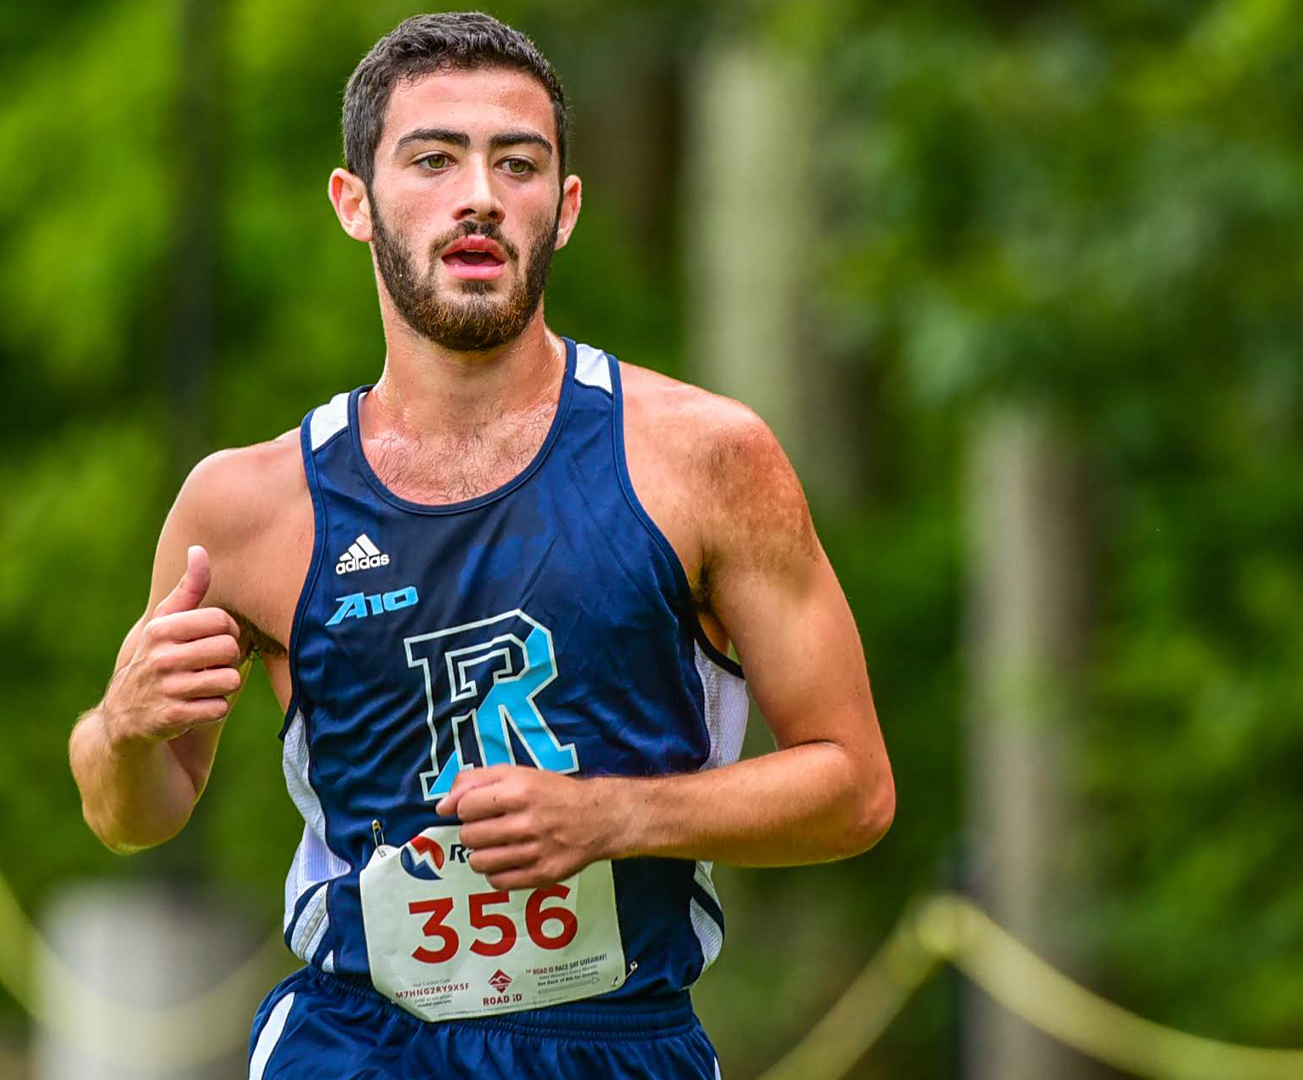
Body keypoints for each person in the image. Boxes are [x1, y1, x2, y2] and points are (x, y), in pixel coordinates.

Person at [69, 12, 893, 1078]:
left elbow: (854, 790)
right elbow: (130, 817)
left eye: (518, 163)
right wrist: (123, 730)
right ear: (354, 202)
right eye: (433, 160)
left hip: (618, 1043)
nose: (480, 197)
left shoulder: (705, 458)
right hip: (355, 1042)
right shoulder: (247, 507)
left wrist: (615, 816)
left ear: (566, 208)